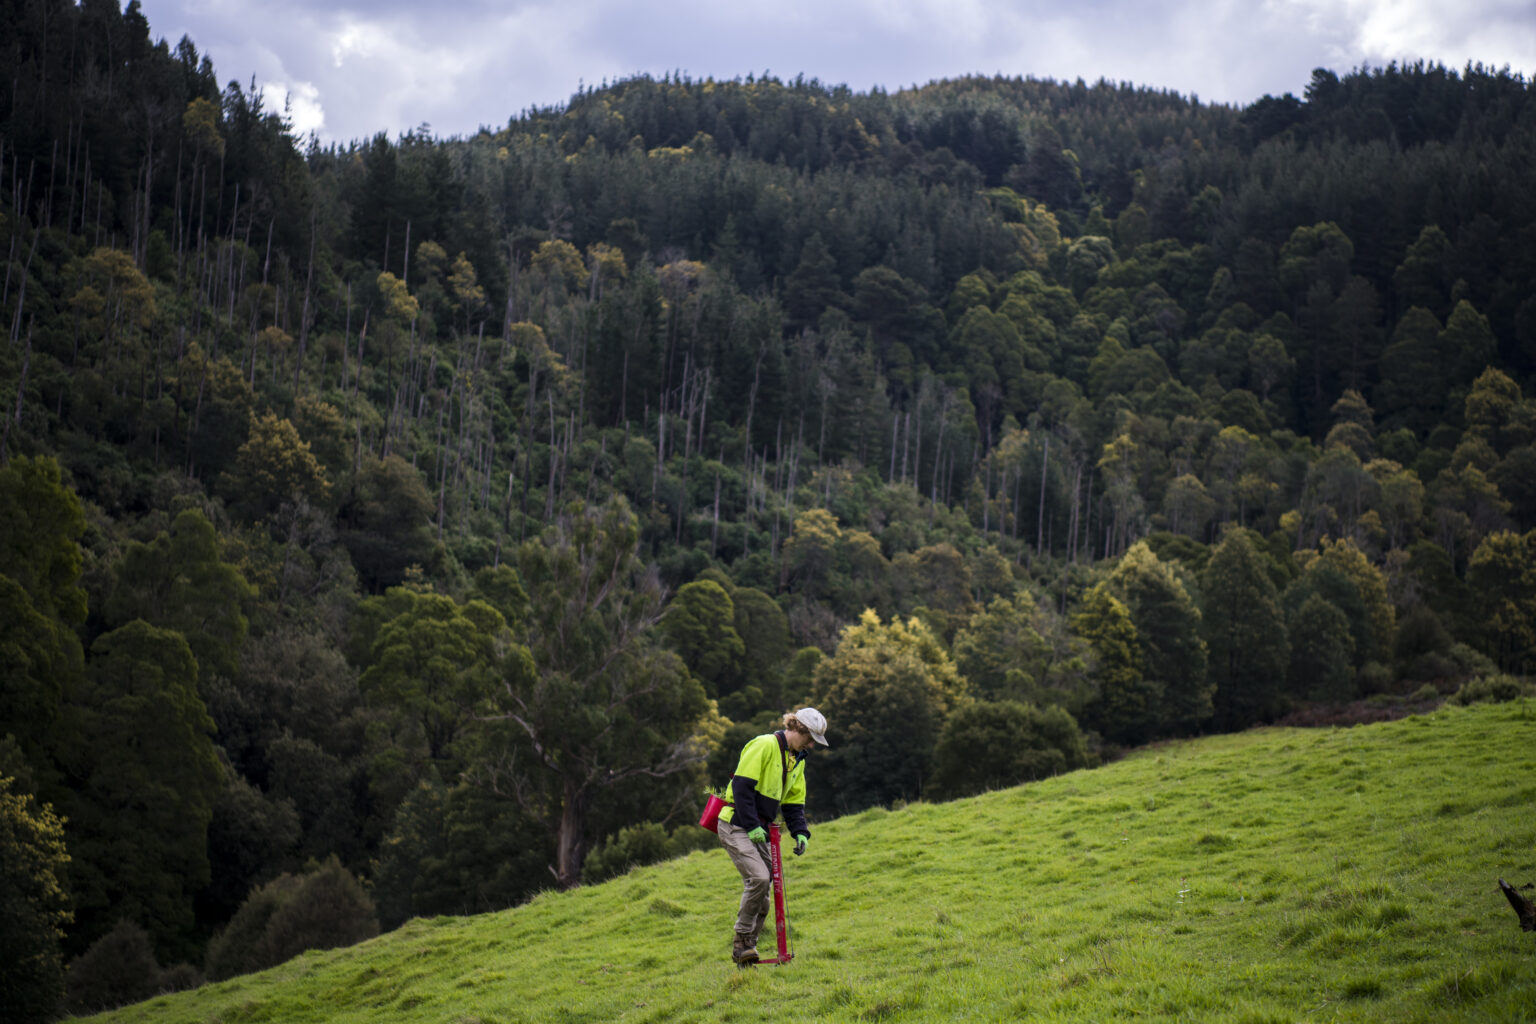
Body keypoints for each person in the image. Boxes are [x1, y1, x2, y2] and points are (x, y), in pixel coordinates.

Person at [716, 707, 829, 965]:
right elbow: (742, 787)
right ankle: (740, 941)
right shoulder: (764, 745)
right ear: (797, 728)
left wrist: (801, 832)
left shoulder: (797, 760)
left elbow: (793, 803)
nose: (811, 744)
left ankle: (748, 950)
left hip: (758, 829)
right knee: (758, 878)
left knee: (767, 889)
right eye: (810, 737)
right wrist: (753, 824)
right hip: (736, 824)